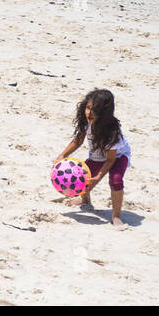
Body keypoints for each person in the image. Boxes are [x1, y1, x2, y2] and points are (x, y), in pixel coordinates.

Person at [52, 89, 131, 227]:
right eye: (88, 108)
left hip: (118, 156)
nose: (89, 112)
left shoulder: (111, 131)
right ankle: (86, 201)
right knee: (81, 175)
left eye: (95, 110)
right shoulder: (86, 121)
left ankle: (116, 215)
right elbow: (78, 140)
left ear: (104, 113)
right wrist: (63, 155)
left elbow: (111, 160)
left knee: (116, 180)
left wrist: (99, 176)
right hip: (98, 155)